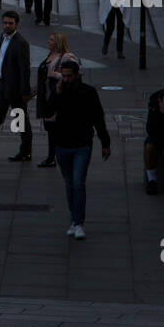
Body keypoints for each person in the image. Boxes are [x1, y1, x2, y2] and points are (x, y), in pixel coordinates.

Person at [41, 58, 111, 238]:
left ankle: (78, 222)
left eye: (69, 76)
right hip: (62, 144)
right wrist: (55, 95)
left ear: (77, 75)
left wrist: (105, 143)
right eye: (63, 76)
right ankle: (74, 219)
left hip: (82, 143)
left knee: (78, 183)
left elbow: (98, 118)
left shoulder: (88, 92)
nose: (66, 80)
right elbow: (47, 112)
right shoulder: (60, 91)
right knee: (70, 183)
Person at [0, 10, 33, 162]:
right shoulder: (2, 38)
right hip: (2, 86)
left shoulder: (21, 43)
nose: (7, 26)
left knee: (20, 122)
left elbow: (25, 69)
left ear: (16, 24)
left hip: (15, 90)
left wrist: (25, 91)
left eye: (10, 23)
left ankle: (25, 151)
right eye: (5, 23)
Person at [35, 31, 79, 167]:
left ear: (58, 42)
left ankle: (53, 156)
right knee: (50, 127)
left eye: (52, 40)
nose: (49, 41)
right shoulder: (50, 55)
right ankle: (53, 155)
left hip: (57, 96)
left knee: (55, 127)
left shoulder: (66, 57)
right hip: (46, 95)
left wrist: (58, 75)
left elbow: (75, 73)